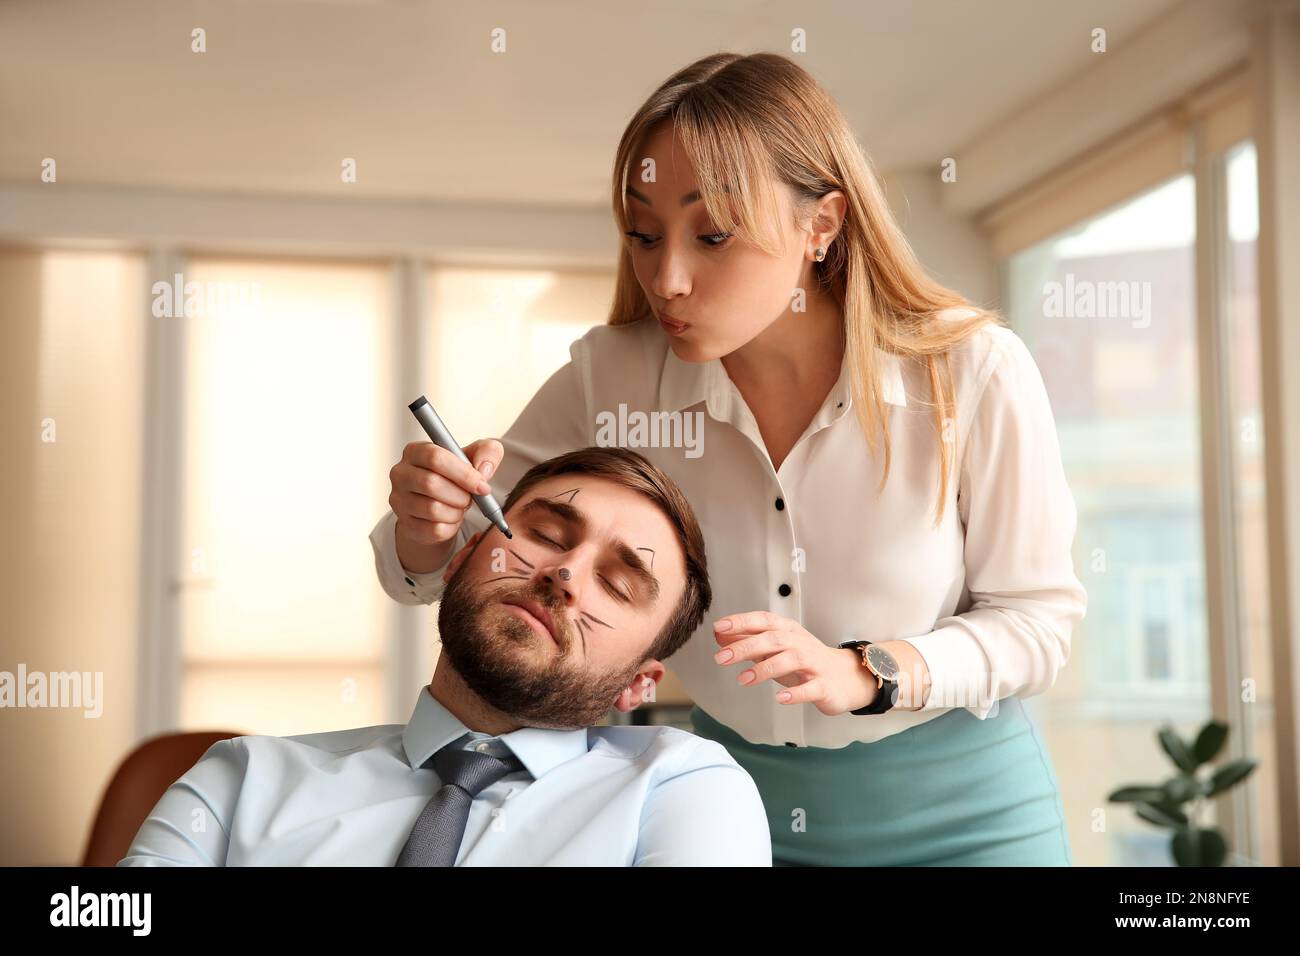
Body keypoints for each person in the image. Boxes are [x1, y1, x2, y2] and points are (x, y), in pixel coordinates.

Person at [372, 52, 1087, 866]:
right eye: (643, 234)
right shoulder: (614, 374)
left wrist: (871, 671)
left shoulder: (972, 372)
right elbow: (449, 563)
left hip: (967, 816)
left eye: (712, 235)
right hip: (723, 805)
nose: (666, 277)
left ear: (821, 225)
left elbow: (1038, 625)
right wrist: (426, 531)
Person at [119, 447, 771, 866]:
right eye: (543, 534)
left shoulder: (685, 788)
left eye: (618, 583)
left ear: (638, 684)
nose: (565, 574)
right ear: (459, 560)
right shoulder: (242, 778)